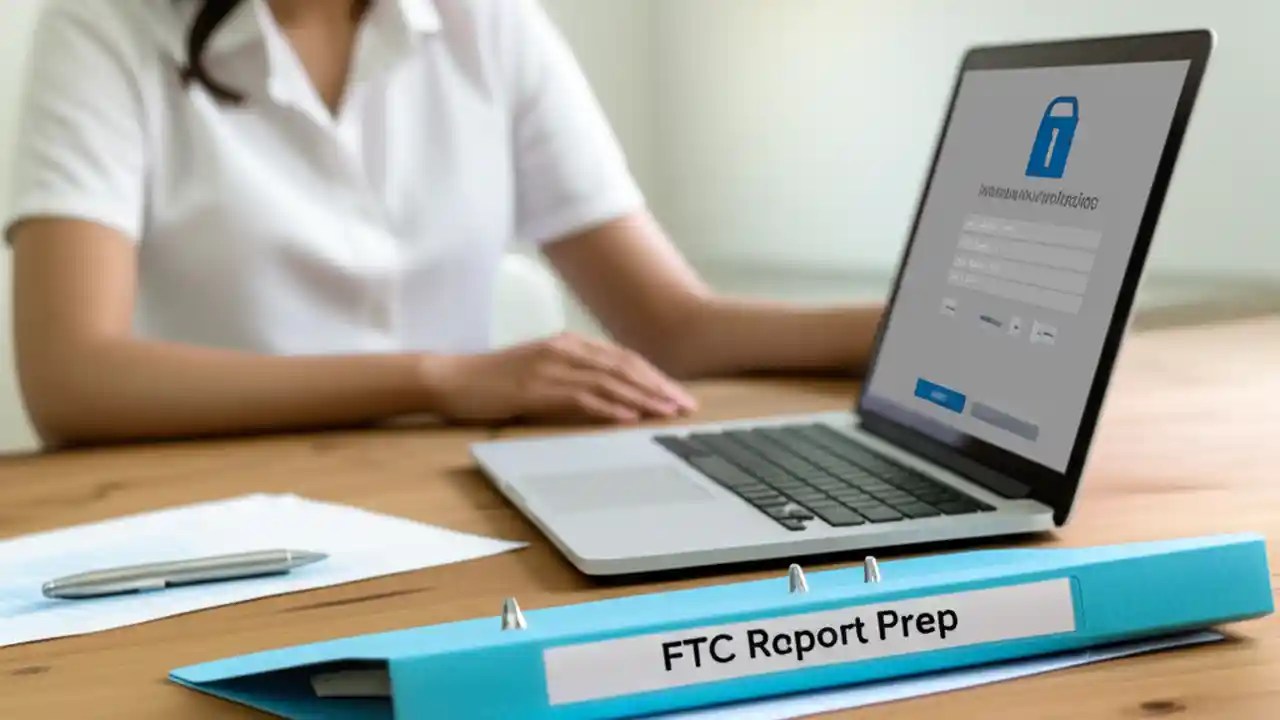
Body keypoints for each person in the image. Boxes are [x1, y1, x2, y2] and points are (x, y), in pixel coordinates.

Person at [5, 0, 881, 447]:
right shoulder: (103, 27)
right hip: (206, 502)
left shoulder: (487, 20)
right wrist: (437, 378)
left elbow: (673, 326)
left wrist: (921, 331)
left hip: (450, 496)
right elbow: (73, 380)